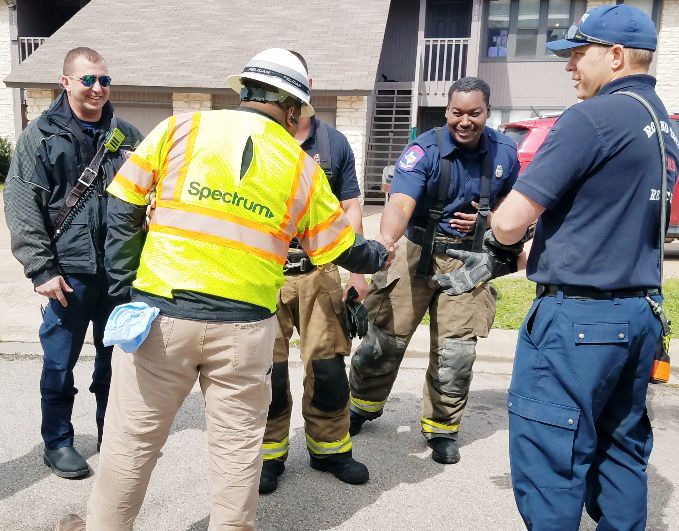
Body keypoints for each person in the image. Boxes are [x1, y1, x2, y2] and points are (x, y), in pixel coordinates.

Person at [55, 48, 393, 531]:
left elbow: (124, 207)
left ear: (244, 93)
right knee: (237, 454)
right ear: (294, 109)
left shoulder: (180, 129)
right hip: (244, 331)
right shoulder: (302, 169)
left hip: (161, 319)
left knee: (130, 443)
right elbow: (342, 250)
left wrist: (128, 285)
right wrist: (380, 254)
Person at [441, 6, 678, 529]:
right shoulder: (660, 123)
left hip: (578, 326)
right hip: (638, 315)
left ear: (615, 56)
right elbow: (605, 223)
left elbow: (510, 221)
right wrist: (536, 255)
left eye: (578, 53)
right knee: (621, 451)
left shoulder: (590, 118)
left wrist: (498, 236)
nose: (570, 66)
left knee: (551, 458)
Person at [348, 77, 519, 464]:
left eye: (474, 113)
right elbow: (399, 204)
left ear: (487, 112)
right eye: (457, 112)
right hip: (415, 252)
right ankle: (360, 406)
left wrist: (490, 219)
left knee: (455, 353)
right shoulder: (423, 150)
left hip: (468, 261)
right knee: (383, 340)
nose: (465, 121)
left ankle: (442, 429)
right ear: (446, 111)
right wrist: (386, 242)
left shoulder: (505, 151)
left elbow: (514, 196)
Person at [3, 47, 142, 479]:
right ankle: (58, 442)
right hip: (66, 274)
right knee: (59, 364)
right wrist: (42, 269)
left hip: (118, 274)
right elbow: (22, 203)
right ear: (66, 82)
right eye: (88, 80)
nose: (98, 88)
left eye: (104, 80)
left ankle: (111, 435)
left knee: (115, 361)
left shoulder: (128, 135)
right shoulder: (39, 137)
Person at [258, 51, 370, 494]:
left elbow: (350, 206)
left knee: (327, 369)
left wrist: (357, 273)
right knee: (269, 373)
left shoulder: (334, 143)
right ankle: (269, 455)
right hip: (264, 273)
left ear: (306, 85)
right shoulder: (257, 139)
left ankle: (330, 450)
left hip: (319, 270)